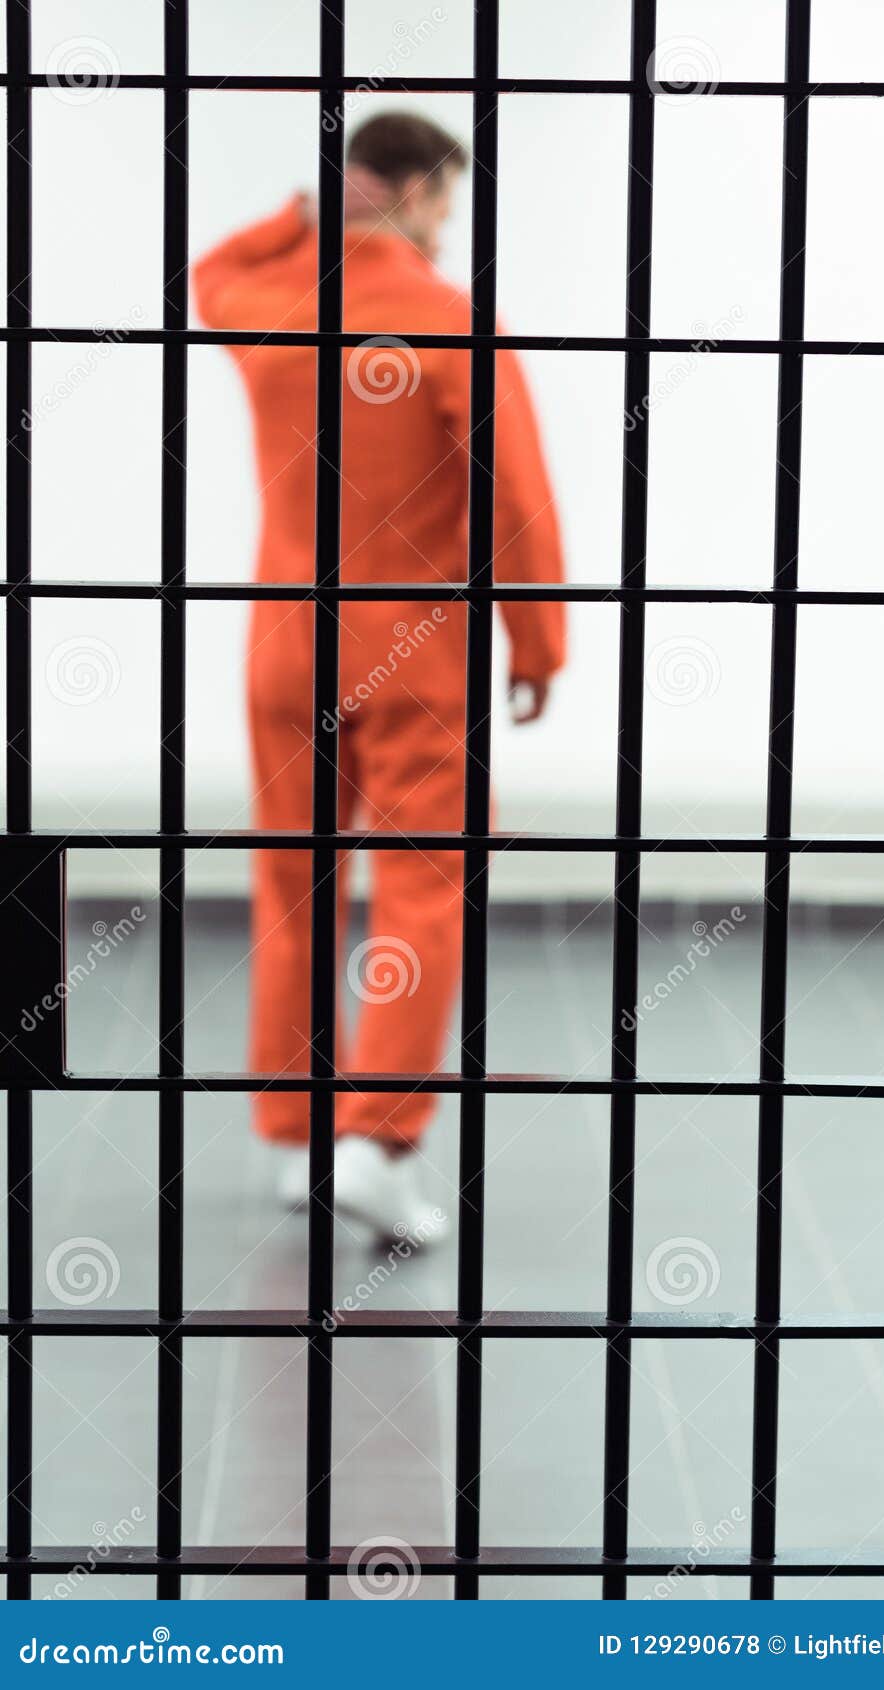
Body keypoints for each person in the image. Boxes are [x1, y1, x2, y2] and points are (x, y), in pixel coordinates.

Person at [194, 112, 566, 1239]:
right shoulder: (453, 323)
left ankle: (296, 1129)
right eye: (442, 201)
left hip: (284, 645)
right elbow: (517, 497)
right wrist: (539, 641)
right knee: (421, 886)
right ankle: (375, 1137)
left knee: (290, 882)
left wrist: (306, 215)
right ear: (406, 195)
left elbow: (213, 267)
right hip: (416, 655)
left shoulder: (276, 314)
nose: (447, 226)